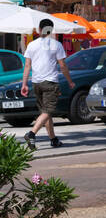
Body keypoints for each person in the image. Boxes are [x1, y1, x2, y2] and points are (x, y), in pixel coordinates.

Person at [20, 19, 74, 149]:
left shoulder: (31, 45)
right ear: (51, 30)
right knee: (47, 111)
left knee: (45, 112)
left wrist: (24, 84)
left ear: (39, 29)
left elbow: (27, 65)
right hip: (50, 82)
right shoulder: (56, 45)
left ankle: (53, 139)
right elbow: (62, 65)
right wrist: (70, 81)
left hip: (36, 83)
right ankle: (31, 134)